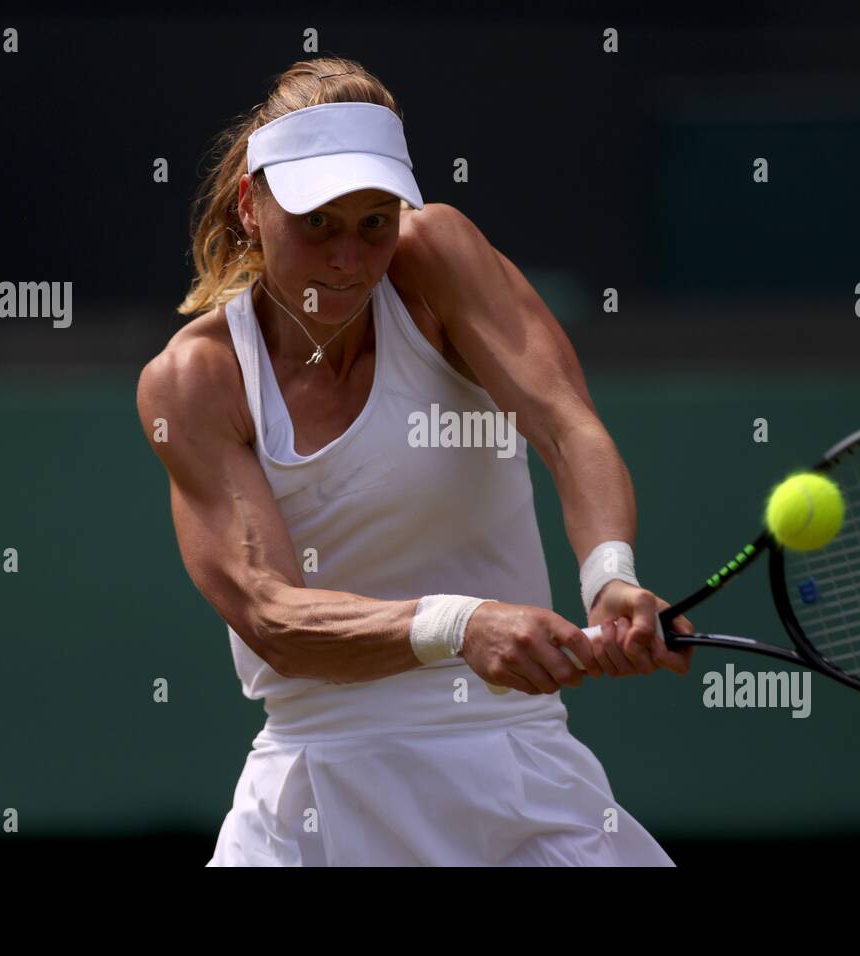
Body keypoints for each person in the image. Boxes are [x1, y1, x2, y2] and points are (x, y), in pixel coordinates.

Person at [137, 57, 694, 866]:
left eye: (374, 223)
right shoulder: (194, 380)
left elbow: (567, 427)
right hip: (313, 794)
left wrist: (608, 575)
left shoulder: (435, 256)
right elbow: (272, 618)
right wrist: (458, 624)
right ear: (251, 208)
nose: (349, 259)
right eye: (318, 223)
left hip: (515, 770)